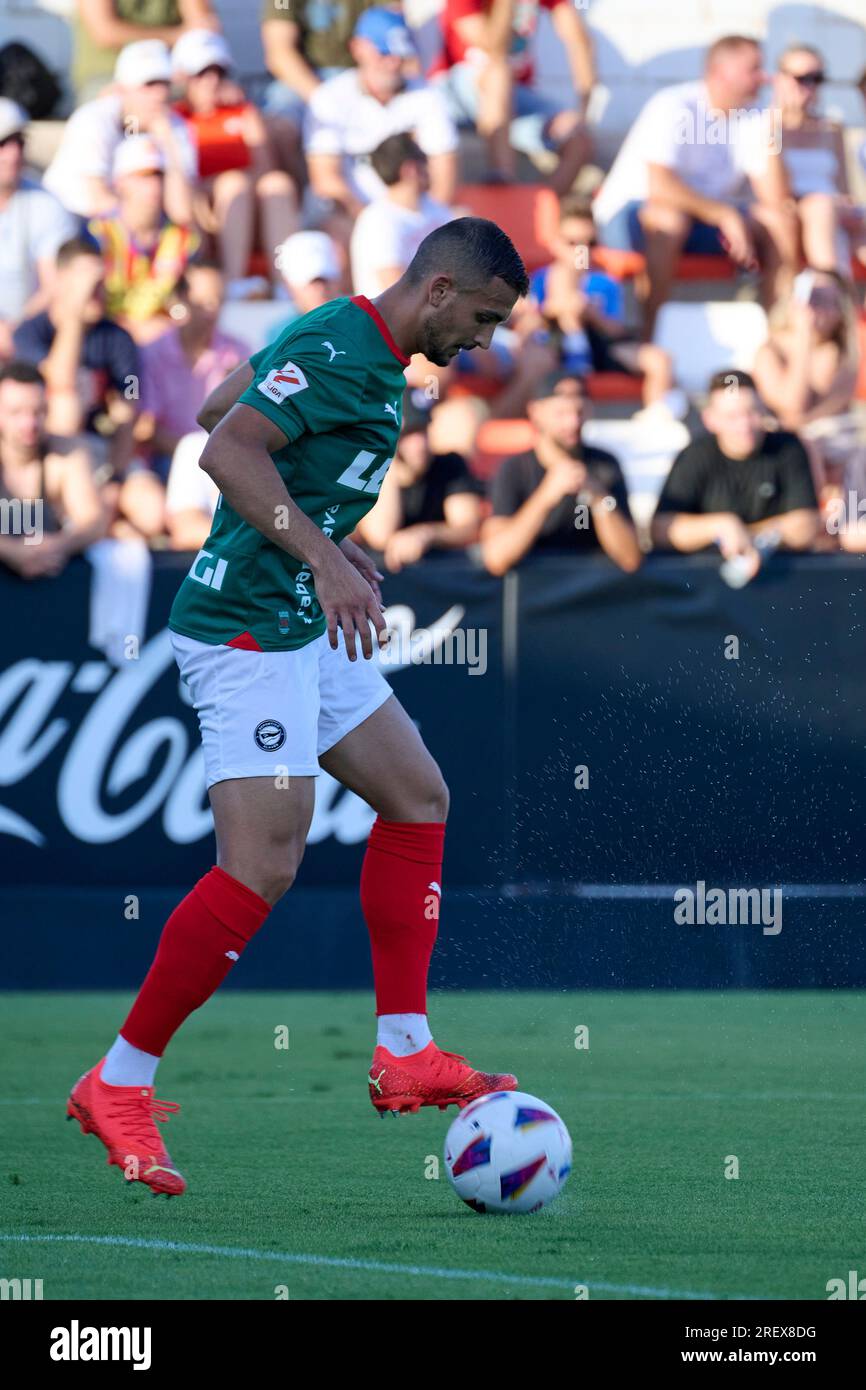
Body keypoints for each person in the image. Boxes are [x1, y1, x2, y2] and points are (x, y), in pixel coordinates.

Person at [66, 216, 528, 1196]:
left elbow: (222, 406)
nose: (482, 341)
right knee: (263, 863)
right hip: (245, 629)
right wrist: (320, 555)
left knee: (415, 794)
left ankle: (404, 1048)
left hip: (294, 617)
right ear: (438, 290)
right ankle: (117, 1080)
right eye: (482, 316)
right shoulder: (340, 346)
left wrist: (322, 537)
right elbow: (225, 449)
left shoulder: (347, 335)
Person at [593, 35, 797, 334]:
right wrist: (724, 215)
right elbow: (660, 186)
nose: (764, 78)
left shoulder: (756, 115)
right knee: (669, 220)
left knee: (780, 222)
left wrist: (775, 123)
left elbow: (776, 199)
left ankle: (778, 337)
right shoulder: (675, 104)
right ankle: (652, 337)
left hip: (702, 221)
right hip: (631, 217)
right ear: (718, 72)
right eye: (753, 69)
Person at [11, 237, 161, 540]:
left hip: (102, 453)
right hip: (51, 454)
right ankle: (90, 524)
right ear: (61, 280)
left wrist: (115, 477)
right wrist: (74, 318)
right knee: (66, 402)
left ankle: (104, 525)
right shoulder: (30, 332)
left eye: (99, 282)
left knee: (152, 513)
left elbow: (129, 403)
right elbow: (58, 379)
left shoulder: (119, 337)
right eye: (86, 282)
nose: (96, 292)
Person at [651, 369, 820, 581]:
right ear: (710, 419)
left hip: (782, 580)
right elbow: (661, 530)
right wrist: (720, 525)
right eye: (732, 416)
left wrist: (746, 536)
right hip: (704, 584)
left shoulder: (787, 448)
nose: (744, 425)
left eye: (752, 412)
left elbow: (806, 526)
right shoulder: (694, 456)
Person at [171, 28, 299, 297]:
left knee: (277, 184)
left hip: (246, 204)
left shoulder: (242, 112)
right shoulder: (175, 118)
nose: (212, 80)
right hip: (205, 210)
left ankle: (286, 284)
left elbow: (266, 169)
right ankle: (233, 279)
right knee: (234, 184)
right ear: (183, 77)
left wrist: (250, 117)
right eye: (201, 73)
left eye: (219, 72)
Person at [305, 8, 458, 231]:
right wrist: (371, 224)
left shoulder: (429, 98)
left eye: (400, 54)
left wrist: (418, 224)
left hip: (413, 220)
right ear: (357, 48)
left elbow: (444, 181)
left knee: (460, 226)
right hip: (350, 217)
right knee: (335, 231)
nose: (393, 62)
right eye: (383, 53)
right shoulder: (330, 98)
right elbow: (326, 180)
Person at [481, 370, 641, 575]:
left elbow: (631, 559)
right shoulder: (514, 469)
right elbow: (497, 558)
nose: (573, 423)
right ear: (536, 412)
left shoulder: (604, 465)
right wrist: (545, 497)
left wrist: (600, 498)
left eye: (579, 412)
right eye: (561, 413)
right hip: (531, 593)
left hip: (592, 592)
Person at [430, 0, 594, 193]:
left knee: (576, 134)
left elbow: (578, 39)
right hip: (455, 93)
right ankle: (502, 176)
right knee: (499, 74)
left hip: (514, 97)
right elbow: (494, 50)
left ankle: (538, 210)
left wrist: (583, 108)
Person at [528, 194, 675, 408]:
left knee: (659, 360)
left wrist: (594, 315)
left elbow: (618, 330)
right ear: (556, 243)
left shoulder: (605, 281)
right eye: (573, 243)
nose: (582, 251)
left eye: (590, 243)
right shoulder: (541, 279)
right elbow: (529, 324)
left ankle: (657, 417)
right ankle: (576, 366)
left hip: (601, 345)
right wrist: (561, 308)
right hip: (555, 347)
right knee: (566, 286)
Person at [43, 40, 197, 224]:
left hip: (132, 228)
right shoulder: (94, 120)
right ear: (121, 90)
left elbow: (183, 213)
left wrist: (168, 143)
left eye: (164, 84)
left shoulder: (173, 127)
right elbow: (97, 199)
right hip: (75, 223)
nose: (160, 94)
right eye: (149, 84)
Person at [138, 260, 248, 472]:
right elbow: (146, 429)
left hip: (219, 462)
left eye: (219, 301)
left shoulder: (238, 353)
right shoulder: (152, 354)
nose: (213, 310)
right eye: (205, 302)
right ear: (181, 300)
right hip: (170, 461)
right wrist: (195, 456)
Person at [87, 134, 199, 340]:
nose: (154, 184)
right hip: (109, 338)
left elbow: (195, 302)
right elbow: (86, 304)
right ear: (120, 182)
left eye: (159, 175)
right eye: (144, 175)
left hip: (165, 342)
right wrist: (132, 329)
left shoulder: (183, 238)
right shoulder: (97, 234)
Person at [0, 361, 105, 578]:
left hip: (48, 580)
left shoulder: (65, 454)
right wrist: (11, 552)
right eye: (16, 413)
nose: (29, 424)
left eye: (37, 411)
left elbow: (93, 521)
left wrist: (56, 545)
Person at [355, 391, 483, 568]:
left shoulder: (450, 465)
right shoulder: (369, 465)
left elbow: (469, 527)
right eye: (409, 433)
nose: (420, 443)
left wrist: (426, 534)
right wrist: (388, 458)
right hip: (379, 578)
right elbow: (381, 536)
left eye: (423, 431)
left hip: (436, 578)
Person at [773, 45, 866, 274]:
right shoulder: (765, 126)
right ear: (780, 79)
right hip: (796, 213)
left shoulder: (832, 128)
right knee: (821, 209)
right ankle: (829, 291)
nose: (810, 86)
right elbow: (771, 193)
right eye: (802, 78)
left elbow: (844, 190)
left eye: (818, 78)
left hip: (835, 215)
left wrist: (846, 207)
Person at [0, 99, 77, 355]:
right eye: (3, 144)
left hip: (29, 339)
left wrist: (15, 332)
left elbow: (53, 286)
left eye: (19, 142)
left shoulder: (47, 204)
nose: (13, 154)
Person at [350, 133, 455, 297]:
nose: (431, 168)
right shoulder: (377, 221)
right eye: (425, 160)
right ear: (410, 169)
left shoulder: (435, 209)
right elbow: (398, 291)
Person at [71, 0, 220, 102]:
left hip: (169, 77)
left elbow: (205, 28)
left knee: (212, 96)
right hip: (109, 76)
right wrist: (179, 34)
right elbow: (105, 33)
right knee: (136, 112)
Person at [260, 0, 379, 122]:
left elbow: (390, 30)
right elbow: (279, 54)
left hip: (361, 76)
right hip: (304, 81)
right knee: (278, 120)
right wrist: (321, 98)